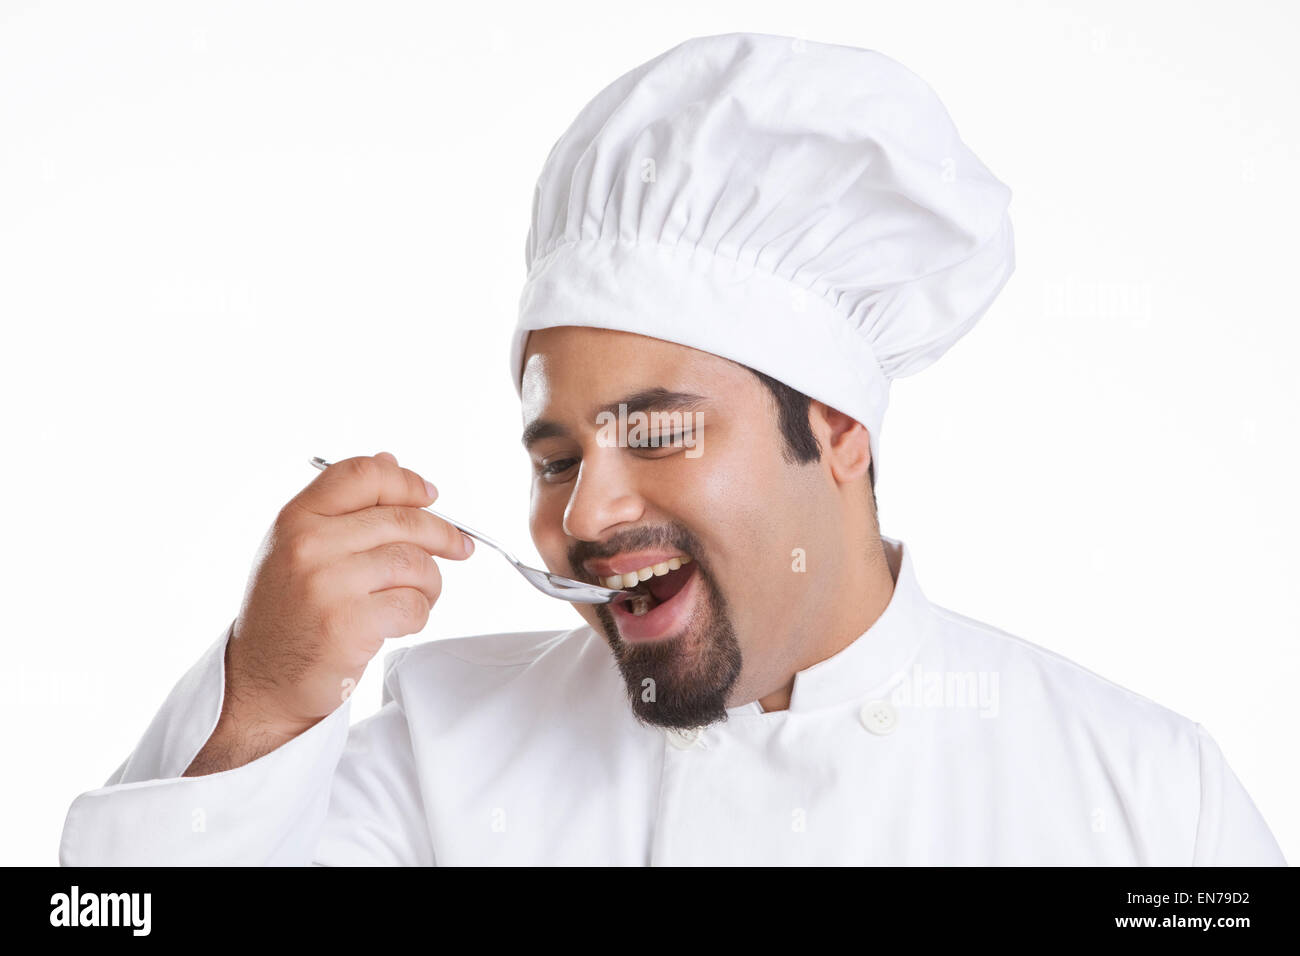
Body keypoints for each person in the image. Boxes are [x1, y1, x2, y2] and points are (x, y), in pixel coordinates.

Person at [59, 31, 1285, 865]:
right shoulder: (441, 766)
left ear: (840, 429)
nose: (583, 515)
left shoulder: (1144, 801)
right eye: (552, 458)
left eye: (655, 428)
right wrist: (267, 702)